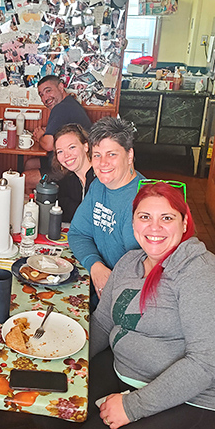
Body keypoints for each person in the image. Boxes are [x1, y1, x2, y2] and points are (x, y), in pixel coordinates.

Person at [37, 181, 215, 429]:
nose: (154, 228)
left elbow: (205, 365)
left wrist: (132, 407)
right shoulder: (131, 262)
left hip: (194, 403)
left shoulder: (203, 276)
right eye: (145, 217)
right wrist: (67, 360)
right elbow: (102, 322)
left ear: (184, 224)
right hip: (127, 372)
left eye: (166, 218)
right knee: (50, 402)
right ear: (133, 223)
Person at [68, 117, 144, 311]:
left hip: (128, 301)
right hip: (98, 287)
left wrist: (108, 283)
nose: (102, 163)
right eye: (97, 155)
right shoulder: (98, 187)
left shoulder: (145, 200)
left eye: (111, 154)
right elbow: (78, 233)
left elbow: (144, 270)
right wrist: (95, 265)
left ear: (129, 155)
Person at [24, 75, 92, 190]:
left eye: (48, 91)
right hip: (69, 161)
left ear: (61, 87)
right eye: (41, 95)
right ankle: (36, 201)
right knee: (30, 164)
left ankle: (35, 205)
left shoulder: (61, 108)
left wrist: (40, 136)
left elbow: (48, 145)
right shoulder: (69, 103)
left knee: (24, 179)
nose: (45, 98)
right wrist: (46, 134)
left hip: (71, 169)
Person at [53, 124, 95, 222]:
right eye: (60, 151)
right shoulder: (70, 180)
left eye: (71, 147)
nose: (66, 155)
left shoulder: (102, 177)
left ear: (86, 146)